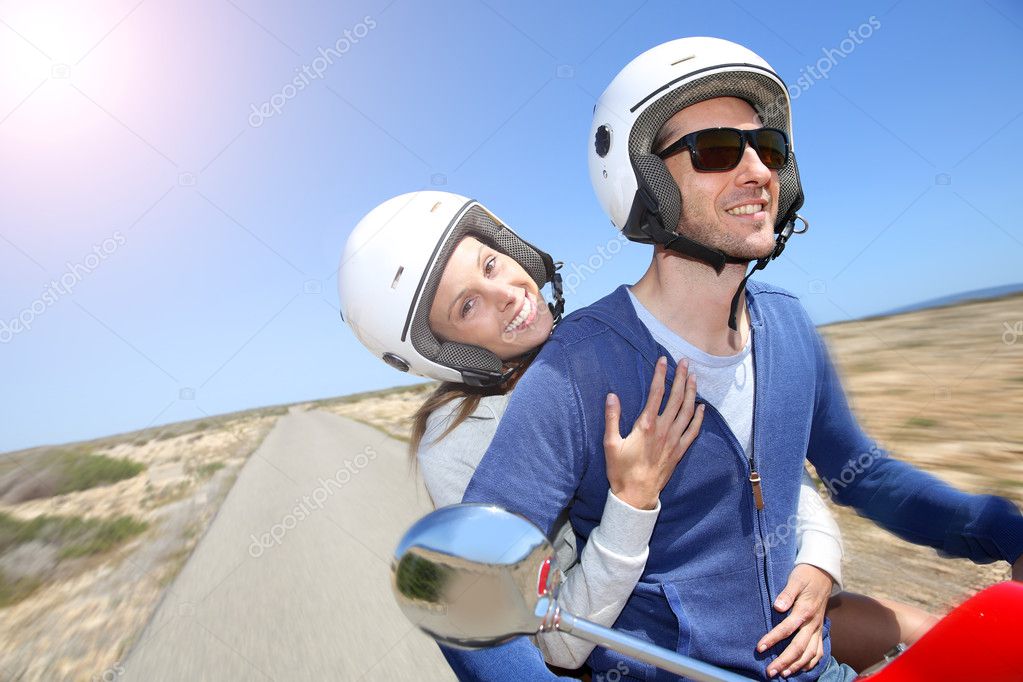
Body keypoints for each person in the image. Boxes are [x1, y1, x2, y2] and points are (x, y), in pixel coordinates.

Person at [429, 37, 1023, 682]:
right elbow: (464, 585)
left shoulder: (788, 326)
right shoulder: (577, 369)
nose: (759, 172)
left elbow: (864, 475)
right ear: (646, 185)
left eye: (768, 149)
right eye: (715, 150)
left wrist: (1002, 529)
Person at [338, 192, 936, 678]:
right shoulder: (464, 441)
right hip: (655, 654)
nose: (506, 295)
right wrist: (631, 502)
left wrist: (818, 559)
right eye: (468, 306)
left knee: (940, 633)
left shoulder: (598, 345)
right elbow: (559, 644)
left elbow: (758, 461)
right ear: (444, 350)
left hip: (753, 609)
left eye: (491, 265)